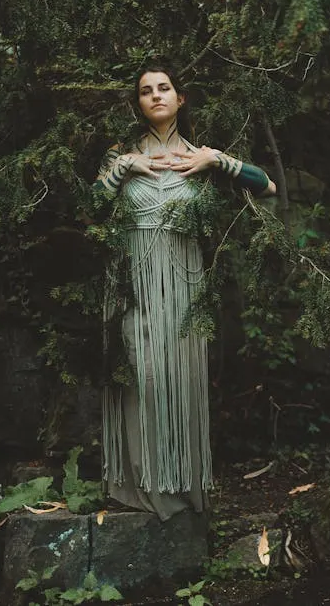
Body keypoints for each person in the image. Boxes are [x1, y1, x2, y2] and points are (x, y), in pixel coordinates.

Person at [93, 65, 276, 521]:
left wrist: (219, 161)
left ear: (180, 98)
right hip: (132, 284)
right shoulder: (121, 154)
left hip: (185, 285)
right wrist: (122, 169)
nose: (155, 96)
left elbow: (268, 186)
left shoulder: (200, 157)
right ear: (138, 103)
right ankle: (141, 484)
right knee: (143, 375)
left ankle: (183, 488)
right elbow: (91, 208)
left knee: (180, 381)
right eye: (145, 91)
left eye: (164, 88)